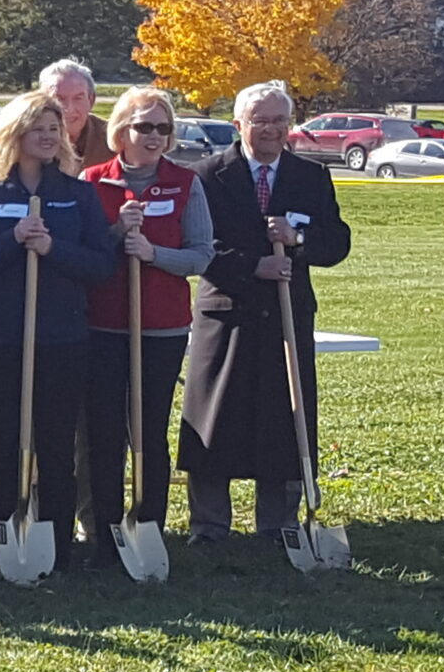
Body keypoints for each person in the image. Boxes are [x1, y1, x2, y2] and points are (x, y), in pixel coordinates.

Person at [178, 80, 351, 543]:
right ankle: (209, 524)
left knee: (284, 416)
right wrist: (253, 266)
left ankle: (278, 524)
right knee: (214, 418)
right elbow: (200, 246)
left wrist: (298, 243)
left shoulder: (310, 177)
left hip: (286, 316)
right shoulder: (207, 175)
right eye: (260, 121)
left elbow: (337, 243)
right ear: (239, 124)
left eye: (279, 120)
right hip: (226, 313)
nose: (271, 130)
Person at [0, 90, 116, 561]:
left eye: (53, 129)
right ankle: (2, 535)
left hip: (61, 337)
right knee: (3, 438)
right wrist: (12, 240)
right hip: (3, 336)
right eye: (37, 129)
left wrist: (53, 250)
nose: (47, 137)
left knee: (55, 440)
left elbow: (101, 266)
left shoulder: (78, 195)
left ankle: (55, 541)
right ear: (16, 135)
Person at [82, 85, 213, 565]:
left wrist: (153, 254)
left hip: (161, 327)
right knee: (103, 430)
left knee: (149, 430)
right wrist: (118, 232)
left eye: (162, 128)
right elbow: (84, 252)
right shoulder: (93, 181)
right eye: (144, 127)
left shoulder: (185, 183)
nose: (154, 136)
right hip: (103, 325)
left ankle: (149, 525)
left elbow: (201, 254)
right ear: (122, 131)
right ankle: (104, 531)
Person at [39, 58, 110, 169]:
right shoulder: (26, 140)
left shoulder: (113, 139)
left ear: (91, 100)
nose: (69, 109)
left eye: (78, 98)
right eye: (59, 99)